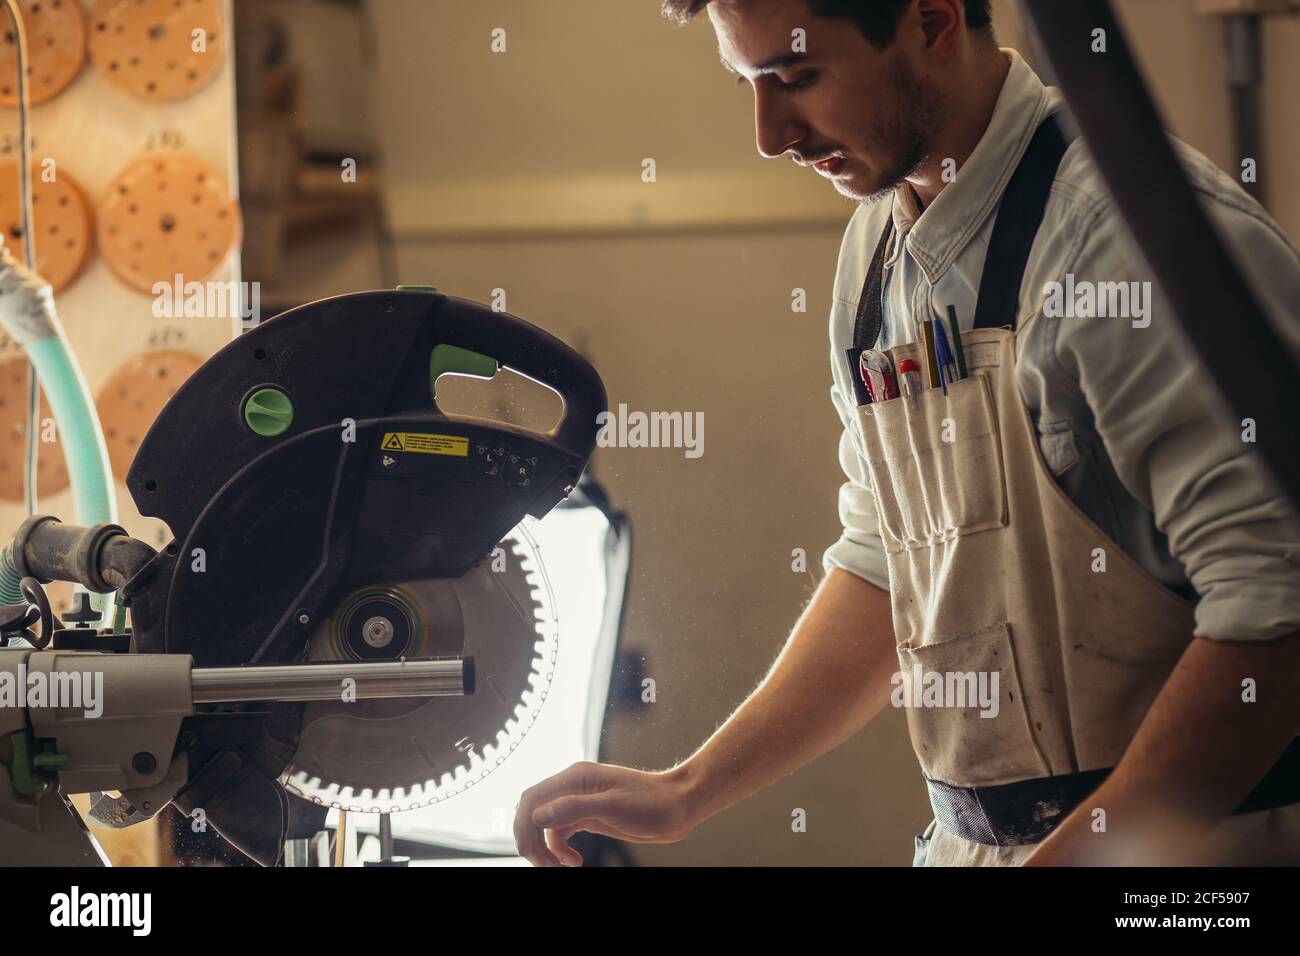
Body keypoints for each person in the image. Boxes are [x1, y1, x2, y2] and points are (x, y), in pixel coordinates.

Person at [513, 0, 1300, 866]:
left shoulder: (1118, 249)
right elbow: (891, 566)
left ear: (931, 21)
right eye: (748, 84)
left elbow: (1278, 611)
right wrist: (690, 788)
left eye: (798, 77)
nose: (770, 135)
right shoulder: (875, 259)